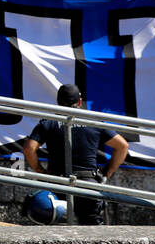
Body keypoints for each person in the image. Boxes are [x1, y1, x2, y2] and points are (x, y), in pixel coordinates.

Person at [21, 83, 129, 225]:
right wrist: (108, 171)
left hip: (58, 183)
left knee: (58, 230)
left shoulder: (48, 123)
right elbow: (122, 146)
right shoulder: (93, 121)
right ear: (79, 102)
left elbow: (29, 148)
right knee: (92, 232)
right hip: (88, 184)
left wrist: (40, 170)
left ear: (58, 102)